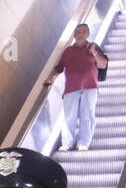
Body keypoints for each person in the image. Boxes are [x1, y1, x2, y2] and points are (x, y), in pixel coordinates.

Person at [43, 23, 108, 152]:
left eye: (83, 32)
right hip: (71, 88)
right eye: (77, 32)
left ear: (88, 34)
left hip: (90, 87)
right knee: (68, 116)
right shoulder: (68, 51)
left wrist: (94, 52)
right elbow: (59, 67)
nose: (80, 34)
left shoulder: (94, 48)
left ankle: (84, 143)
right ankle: (67, 143)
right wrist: (51, 78)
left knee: (87, 115)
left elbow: (102, 64)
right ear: (73, 35)